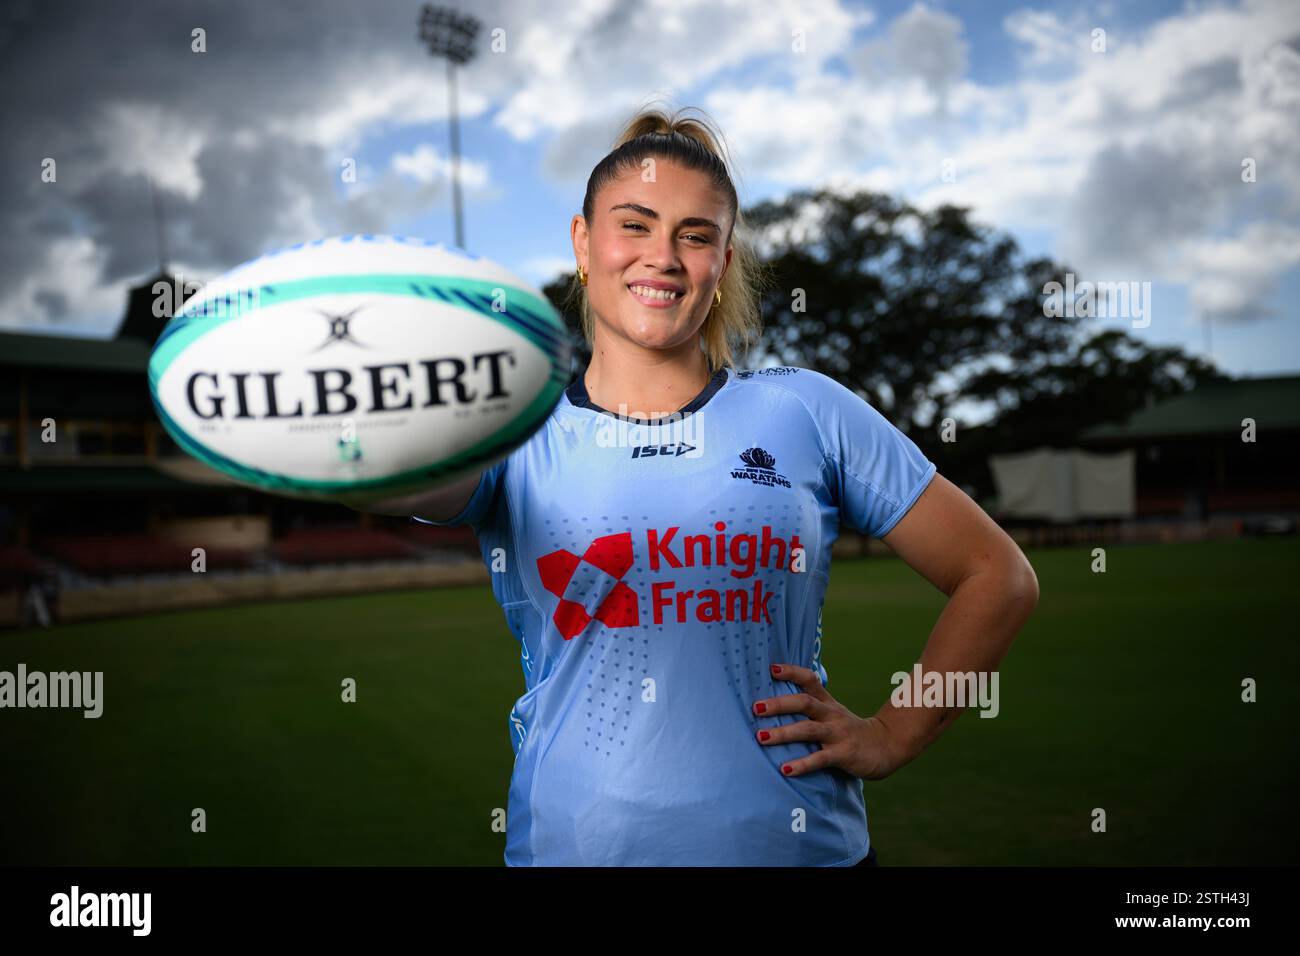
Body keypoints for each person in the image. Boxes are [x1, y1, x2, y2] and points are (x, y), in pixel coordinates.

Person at [352, 106, 1039, 866]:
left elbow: (997, 575)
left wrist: (890, 732)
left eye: (695, 234)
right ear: (583, 243)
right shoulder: (514, 430)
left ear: (723, 260)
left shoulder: (804, 410)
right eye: (635, 225)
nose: (665, 258)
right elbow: (396, 480)